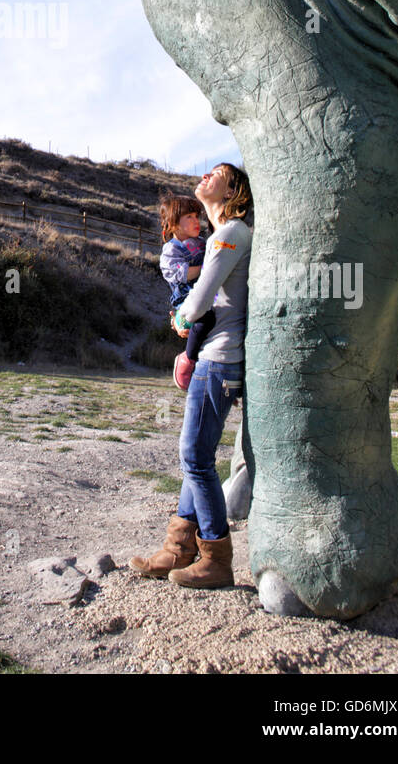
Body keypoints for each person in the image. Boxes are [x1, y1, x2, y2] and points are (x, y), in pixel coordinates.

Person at [130, 162, 253, 589]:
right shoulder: (223, 237)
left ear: (232, 189)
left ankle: (216, 557)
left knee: (195, 458)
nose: (205, 177)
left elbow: (199, 300)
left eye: (216, 173)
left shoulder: (230, 235)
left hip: (219, 358)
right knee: (195, 456)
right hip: (215, 356)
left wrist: (182, 318)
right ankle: (177, 550)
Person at [158, 194, 213, 391]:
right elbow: (183, 275)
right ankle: (187, 359)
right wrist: (208, 267)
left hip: (205, 293)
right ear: (173, 224)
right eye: (189, 217)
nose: (196, 221)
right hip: (187, 296)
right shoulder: (171, 250)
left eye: (196, 216)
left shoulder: (201, 242)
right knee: (203, 319)